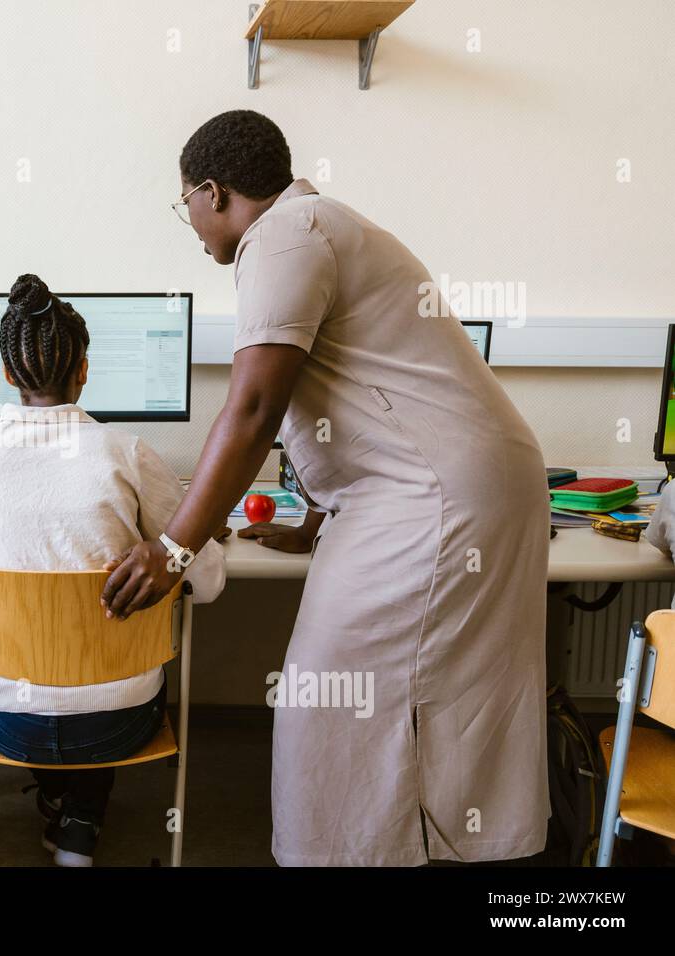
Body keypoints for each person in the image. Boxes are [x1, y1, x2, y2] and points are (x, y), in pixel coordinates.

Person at [102, 110, 550, 865]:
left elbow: (253, 409)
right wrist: (315, 520)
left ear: (213, 192)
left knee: (328, 703)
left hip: (432, 502)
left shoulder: (283, 234)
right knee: (433, 700)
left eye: (188, 206)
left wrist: (174, 548)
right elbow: (351, 392)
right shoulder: (323, 226)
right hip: (455, 487)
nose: (193, 226)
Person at [0, 273, 225, 866]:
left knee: (54, 661)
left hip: (3, 723)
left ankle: (59, 800)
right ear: (85, 371)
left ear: (5, 373)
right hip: (116, 726)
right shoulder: (127, 452)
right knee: (105, 657)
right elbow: (208, 580)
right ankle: (80, 822)